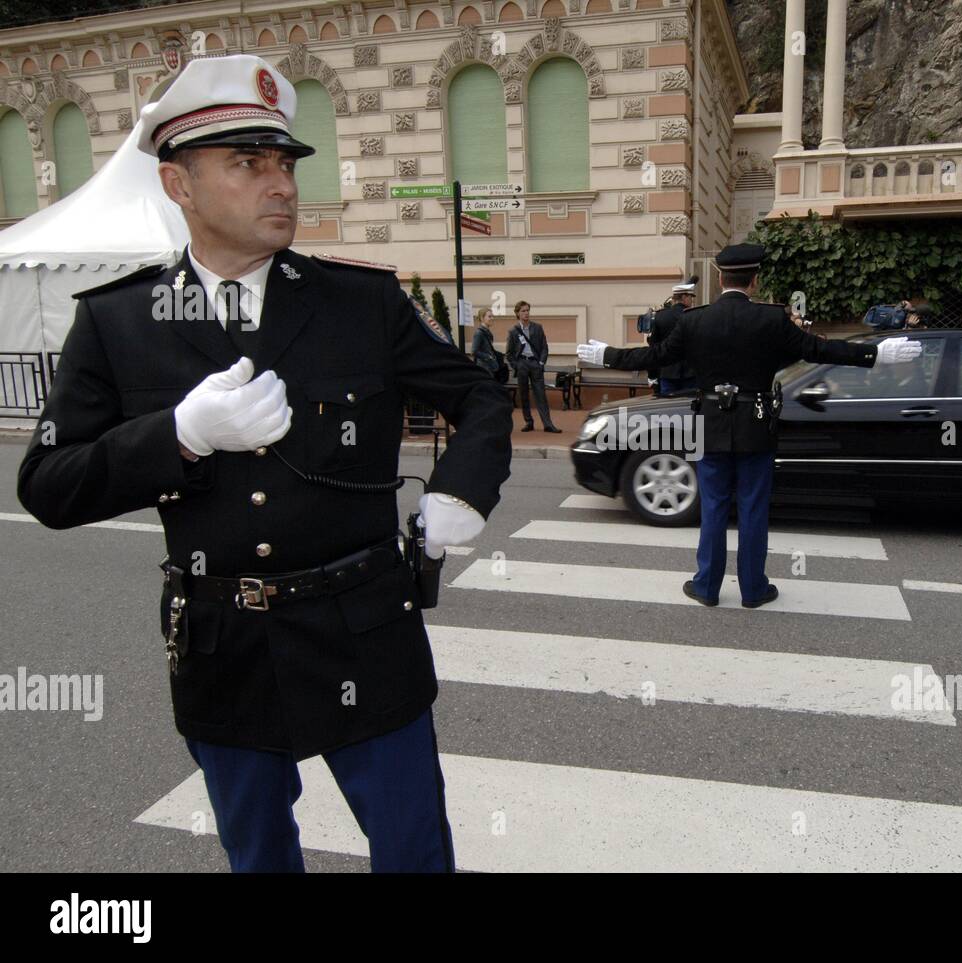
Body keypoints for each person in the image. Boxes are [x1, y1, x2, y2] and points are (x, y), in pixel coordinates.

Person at [15, 54, 514, 873]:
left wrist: (464, 487)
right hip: (225, 646)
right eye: (247, 163)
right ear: (179, 184)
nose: (280, 184)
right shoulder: (119, 322)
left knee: (414, 849)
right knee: (258, 856)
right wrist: (177, 433)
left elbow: (483, 397)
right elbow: (48, 485)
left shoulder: (361, 304)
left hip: (362, 627)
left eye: (283, 162)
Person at [577, 243, 922, 608]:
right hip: (756, 426)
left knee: (712, 507)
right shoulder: (771, 320)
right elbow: (818, 350)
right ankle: (753, 589)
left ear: (721, 278)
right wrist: (875, 353)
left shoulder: (693, 320)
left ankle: (707, 587)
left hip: (709, 426)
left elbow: (655, 356)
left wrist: (607, 355)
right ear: (754, 281)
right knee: (753, 508)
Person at [505, 300, 561, 433]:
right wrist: (516, 366)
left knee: (541, 394)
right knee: (524, 394)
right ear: (518, 313)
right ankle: (528, 422)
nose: (526, 313)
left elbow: (544, 347)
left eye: (527, 310)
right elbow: (509, 353)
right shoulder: (513, 331)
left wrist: (541, 362)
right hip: (522, 364)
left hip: (535, 364)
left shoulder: (537, 327)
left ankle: (548, 424)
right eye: (523, 311)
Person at [651, 276, 698, 395]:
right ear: (683, 297)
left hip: (667, 372)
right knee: (689, 409)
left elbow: (654, 348)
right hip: (690, 374)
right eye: (690, 297)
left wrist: (652, 375)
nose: (692, 301)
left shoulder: (660, 316)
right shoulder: (694, 316)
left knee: (667, 409)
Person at [471, 307, 504, 381]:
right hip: (483, 368)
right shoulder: (479, 333)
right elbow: (474, 351)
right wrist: (488, 357)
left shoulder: (488, 332)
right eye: (489, 316)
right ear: (482, 318)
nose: (492, 318)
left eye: (492, 316)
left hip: (490, 366)